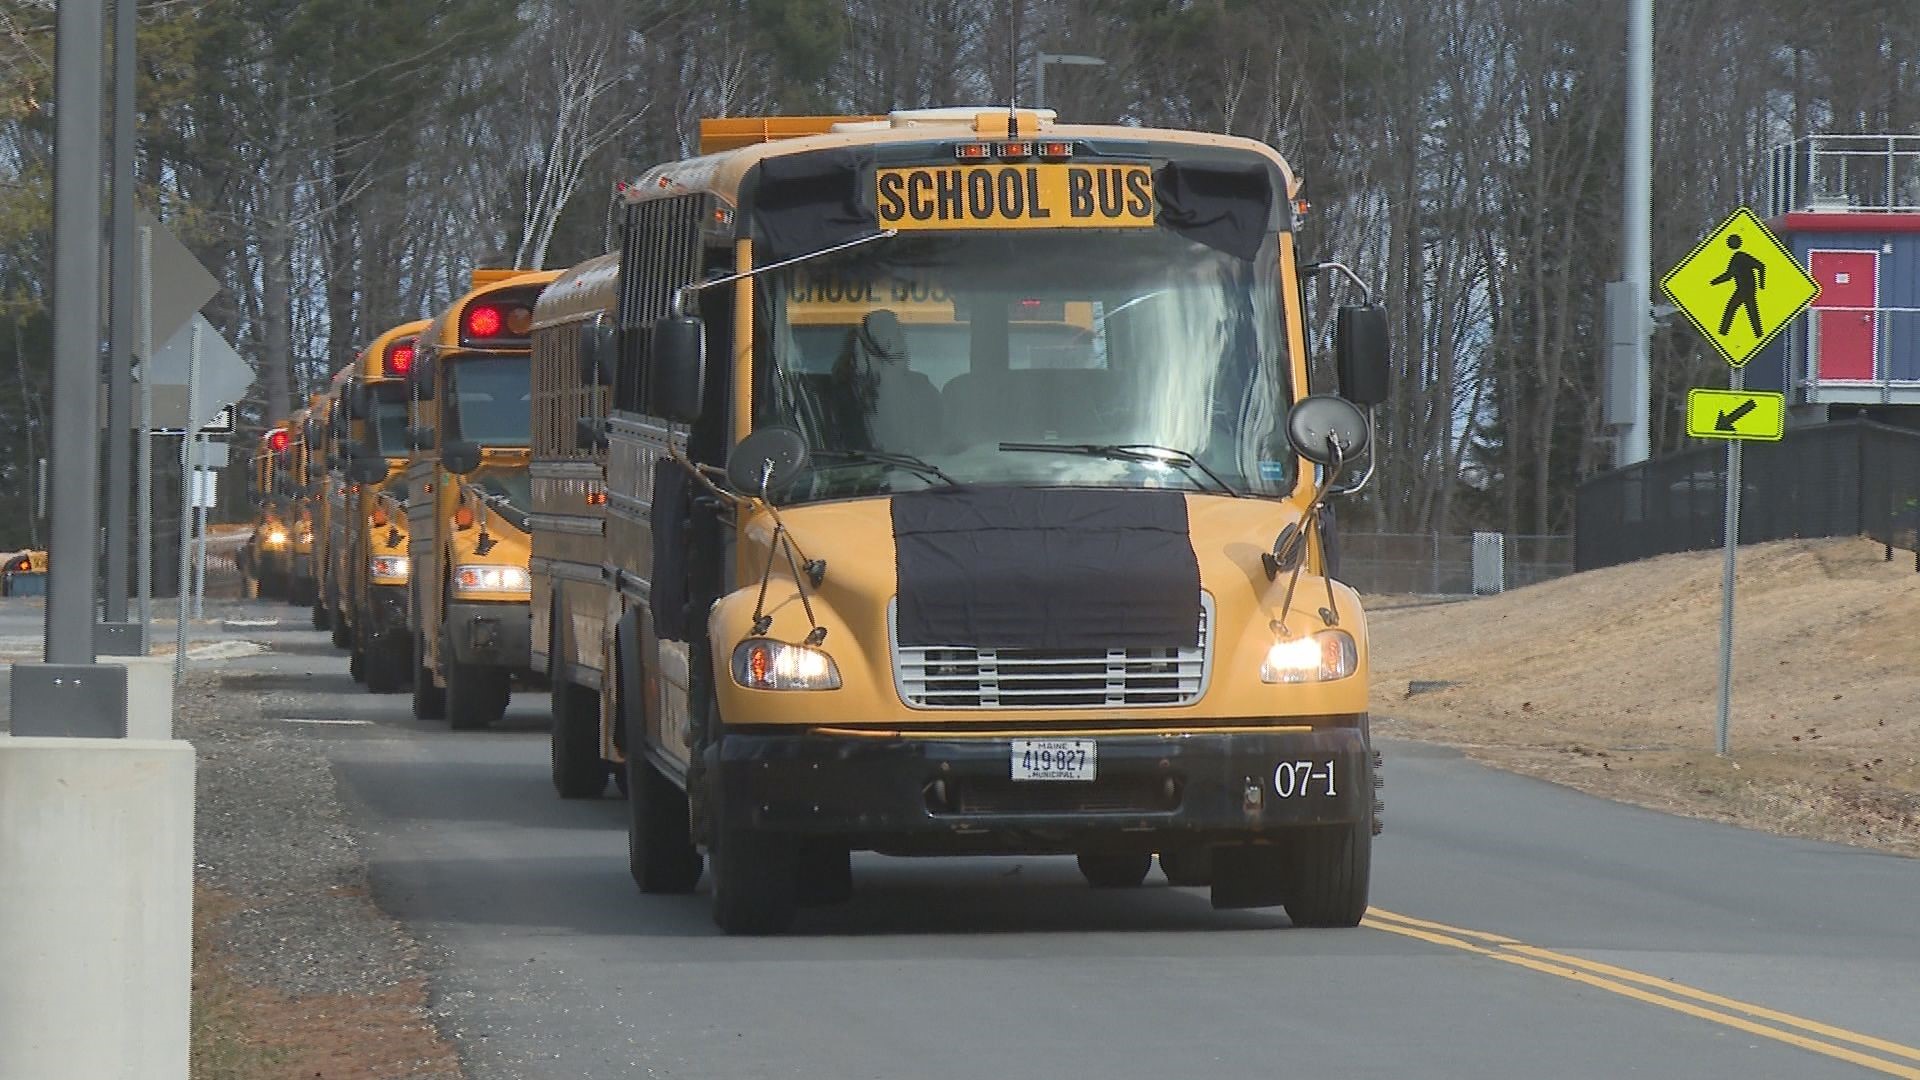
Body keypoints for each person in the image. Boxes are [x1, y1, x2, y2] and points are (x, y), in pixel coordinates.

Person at [1711, 233, 1766, 338]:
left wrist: (1761, 284)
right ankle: (1759, 334)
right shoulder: (1739, 257)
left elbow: (1761, 266)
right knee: (1751, 312)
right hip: (1746, 289)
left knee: (1732, 309)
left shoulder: (1739, 257)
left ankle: (1723, 333)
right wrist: (1714, 282)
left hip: (1745, 290)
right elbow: (1729, 275)